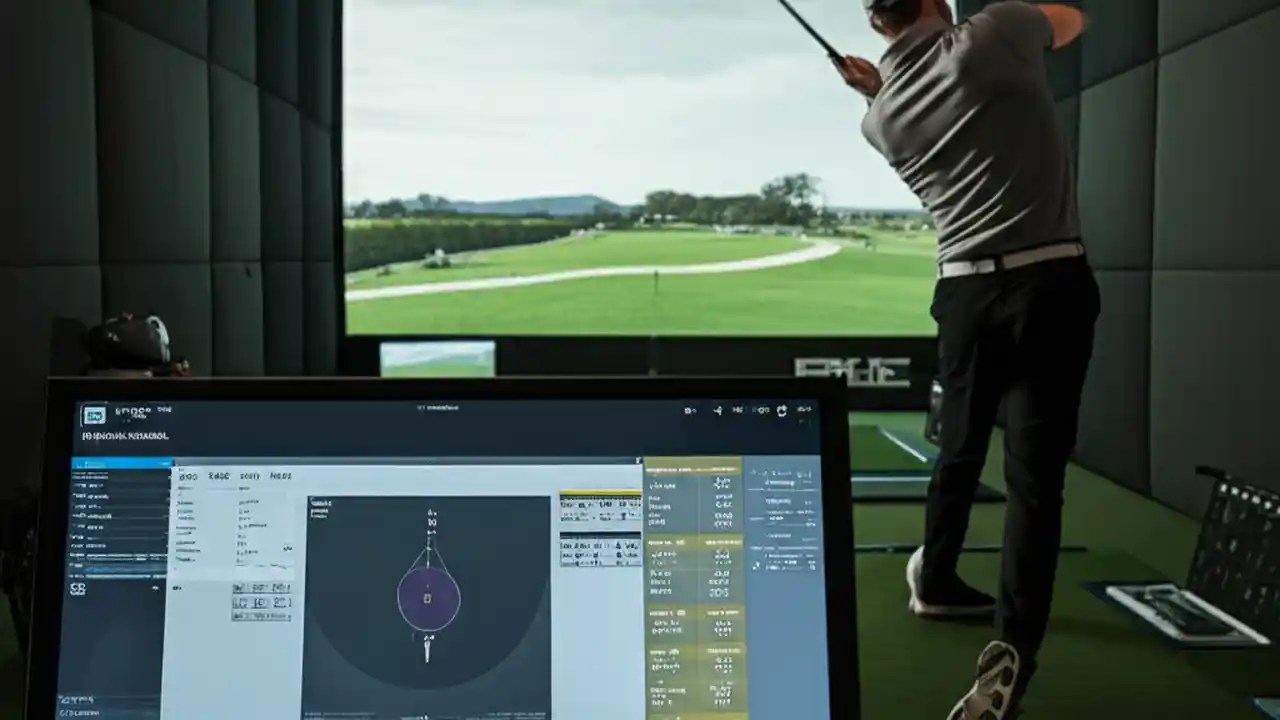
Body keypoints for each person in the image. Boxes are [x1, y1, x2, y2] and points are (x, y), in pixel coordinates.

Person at [834, 1, 1095, 718]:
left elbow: (926, 102)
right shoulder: (998, 30)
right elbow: (1072, 21)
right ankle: (1013, 644)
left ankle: (937, 579)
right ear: (933, 5)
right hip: (1050, 282)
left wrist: (880, 89)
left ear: (875, 25)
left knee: (958, 448)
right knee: (1035, 479)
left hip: (963, 295)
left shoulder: (878, 122)